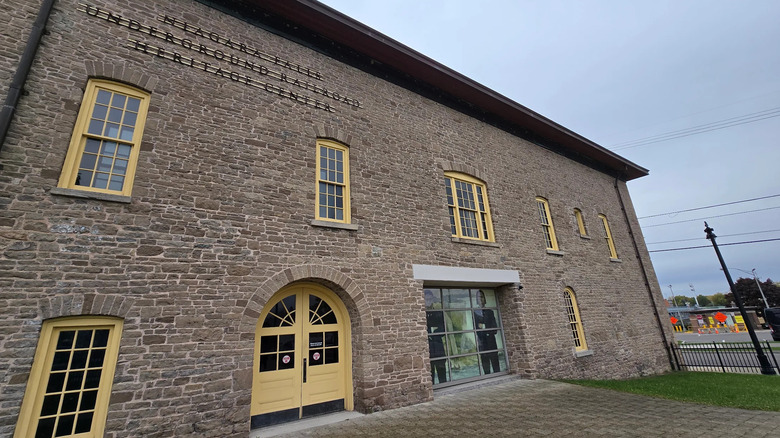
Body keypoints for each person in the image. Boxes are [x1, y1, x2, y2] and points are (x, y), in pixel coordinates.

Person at [474, 290, 500, 374]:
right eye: (478, 297)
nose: (480, 299)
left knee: (496, 365)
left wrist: (484, 327)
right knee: (486, 367)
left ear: (484, 299)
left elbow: (495, 329)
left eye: (482, 297)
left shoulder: (490, 312)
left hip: (491, 342)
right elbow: (476, 329)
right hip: (482, 342)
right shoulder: (475, 312)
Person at [426, 310, 448, 383]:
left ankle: (444, 385)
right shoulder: (424, 314)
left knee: (442, 372)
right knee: (430, 374)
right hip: (429, 351)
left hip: (439, 349)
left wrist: (434, 333)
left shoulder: (439, 314)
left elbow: (443, 329)